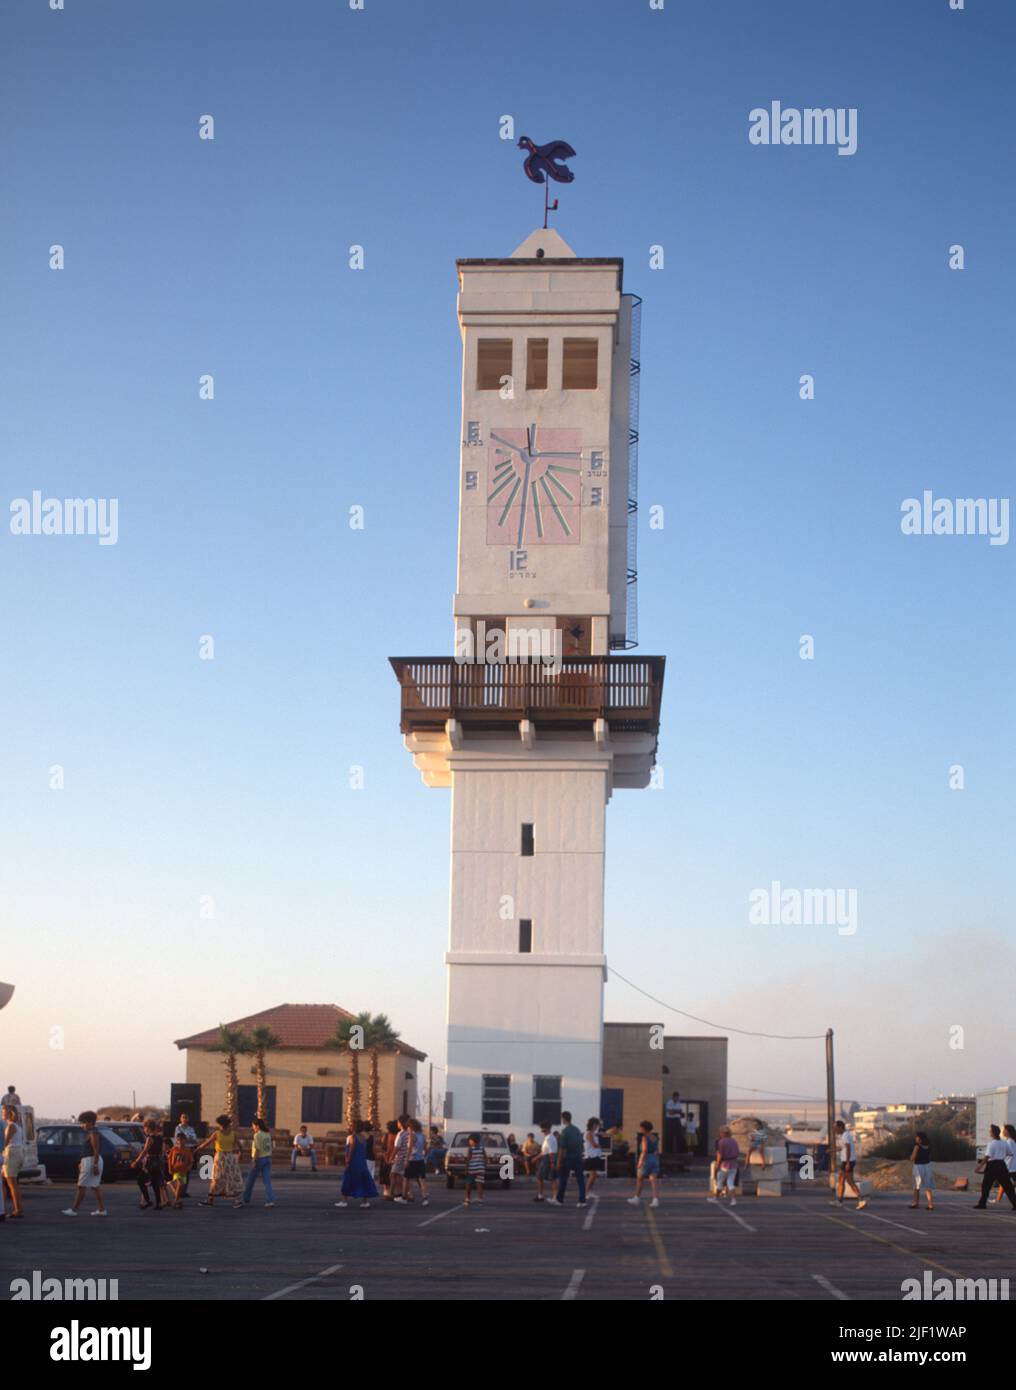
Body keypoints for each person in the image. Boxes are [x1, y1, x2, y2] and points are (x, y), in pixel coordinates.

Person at [62, 1111, 107, 1216]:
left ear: (90, 1122)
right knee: (95, 1186)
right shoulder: (91, 1132)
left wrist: (95, 1165)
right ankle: (101, 1210)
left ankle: (73, 1210)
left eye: (83, 1123)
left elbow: (96, 1150)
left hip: (91, 1160)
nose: (81, 1125)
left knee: (81, 1186)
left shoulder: (93, 1133)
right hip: (88, 1160)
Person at [195, 1113, 242, 1206]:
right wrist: (240, 1155)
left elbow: (206, 1144)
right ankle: (236, 1200)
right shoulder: (233, 1134)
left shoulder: (217, 1134)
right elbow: (240, 1146)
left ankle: (210, 1199)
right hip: (230, 1158)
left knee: (216, 1178)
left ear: (220, 1124)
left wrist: (196, 1150)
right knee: (231, 1178)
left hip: (220, 1157)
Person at [335, 1120, 378, 1210]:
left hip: (354, 1162)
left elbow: (351, 1150)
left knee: (347, 1180)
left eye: (351, 1126)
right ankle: (365, 1202)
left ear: (354, 1127)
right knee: (363, 1180)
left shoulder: (353, 1137)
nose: (350, 1127)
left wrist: (348, 1161)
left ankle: (344, 1201)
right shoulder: (364, 1137)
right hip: (362, 1161)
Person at [973, 1124, 1016, 1211]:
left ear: (993, 1133)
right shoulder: (1004, 1142)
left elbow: (987, 1156)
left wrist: (980, 1166)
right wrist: (1001, 1154)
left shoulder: (991, 1143)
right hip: (1002, 1165)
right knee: (1008, 1186)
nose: (989, 1132)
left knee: (986, 1186)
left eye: (990, 1131)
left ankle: (982, 1203)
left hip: (992, 1165)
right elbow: (1010, 1153)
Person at [239, 1116, 276, 1208]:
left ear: (257, 1126)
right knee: (267, 1181)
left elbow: (257, 1149)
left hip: (259, 1159)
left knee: (250, 1180)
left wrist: (254, 1161)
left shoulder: (257, 1135)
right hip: (268, 1158)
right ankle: (270, 1200)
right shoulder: (267, 1134)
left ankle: (246, 1199)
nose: (253, 1128)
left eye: (253, 1126)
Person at [132, 1118, 168, 1210]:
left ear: (148, 1128)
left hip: (151, 1162)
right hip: (159, 1162)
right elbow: (163, 1150)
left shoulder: (150, 1138)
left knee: (140, 1180)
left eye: (144, 1128)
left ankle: (148, 1201)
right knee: (155, 1183)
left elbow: (145, 1151)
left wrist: (136, 1161)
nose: (144, 1130)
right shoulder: (160, 1138)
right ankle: (159, 1203)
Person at [832, 1119, 868, 1210]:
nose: (835, 1130)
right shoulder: (844, 1135)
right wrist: (832, 1150)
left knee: (849, 1181)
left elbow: (848, 1148)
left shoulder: (845, 1135)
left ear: (840, 1127)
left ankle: (861, 1199)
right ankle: (840, 1201)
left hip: (848, 1161)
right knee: (842, 1180)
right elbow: (842, 1148)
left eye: (835, 1128)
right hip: (846, 1161)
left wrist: (847, 1162)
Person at [554, 1110, 587, 1207]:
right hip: (578, 1157)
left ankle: (559, 1200)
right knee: (580, 1179)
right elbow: (582, 1145)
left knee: (563, 1179)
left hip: (568, 1157)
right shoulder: (577, 1130)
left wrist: (559, 1162)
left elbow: (562, 1148)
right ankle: (582, 1200)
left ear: (563, 1119)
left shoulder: (565, 1131)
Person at [627, 1120, 661, 1207]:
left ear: (644, 1129)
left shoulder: (644, 1138)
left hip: (646, 1159)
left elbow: (644, 1151)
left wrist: (640, 1162)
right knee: (653, 1180)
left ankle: (636, 1198)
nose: (640, 1130)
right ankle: (655, 1199)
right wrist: (656, 1160)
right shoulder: (655, 1137)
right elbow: (657, 1150)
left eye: (641, 1128)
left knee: (640, 1179)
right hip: (654, 1159)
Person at [2, 1103, 25, 1218]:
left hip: (11, 1153)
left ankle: (18, 1210)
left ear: (8, 1113)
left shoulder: (11, 1126)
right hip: (17, 1153)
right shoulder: (17, 1126)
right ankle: (4, 1208)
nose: (2, 1113)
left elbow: (5, 1142)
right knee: (6, 1184)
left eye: (3, 1111)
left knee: (12, 1184)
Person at [710, 1126, 739, 1204]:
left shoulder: (721, 1142)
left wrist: (717, 1164)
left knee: (719, 1182)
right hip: (733, 1164)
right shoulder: (734, 1141)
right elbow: (737, 1152)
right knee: (730, 1183)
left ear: (722, 1133)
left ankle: (715, 1198)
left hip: (724, 1165)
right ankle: (733, 1200)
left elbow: (720, 1154)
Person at [404, 1118, 430, 1205]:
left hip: (412, 1159)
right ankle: (425, 1198)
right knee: (422, 1179)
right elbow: (426, 1149)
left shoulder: (412, 1135)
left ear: (411, 1127)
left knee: (407, 1178)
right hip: (420, 1160)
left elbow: (409, 1148)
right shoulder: (422, 1135)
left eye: (408, 1127)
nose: (407, 1129)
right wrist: (423, 1155)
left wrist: (406, 1159)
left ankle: (407, 1195)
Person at [166, 1133, 194, 1208]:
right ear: (176, 1141)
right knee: (180, 1183)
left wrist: (189, 1167)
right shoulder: (174, 1149)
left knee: (180, 1189)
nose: (180, 1142)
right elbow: (169, 1160)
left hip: (184, 1171)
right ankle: (176, 1201)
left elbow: (191, 1161)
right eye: (178, 1140)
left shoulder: (188, 1150)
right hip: (176, 1170)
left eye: (182, 1140)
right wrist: (170, 1168)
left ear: (185, 1140)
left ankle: (177, 1199)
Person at [990, 1123, 1016, 1203]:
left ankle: (998, 1200)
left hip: (1009, 1166)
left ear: (1008, 1131)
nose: (1003, 1132)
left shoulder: (1009, 1142)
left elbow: (1008, 1153)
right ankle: (997, 1200)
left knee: (1005, 1184)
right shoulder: (1012, 1141)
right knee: (1004, 1184)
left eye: (1004, 1130)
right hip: (1011, 1166)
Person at [173, 1112, 198, 1197]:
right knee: (179, 1170)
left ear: (188, 1119)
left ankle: (184, 1191)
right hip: (180, 1151)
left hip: (189, 1150)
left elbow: (195, 1141)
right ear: (180, 1119)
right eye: (183, 1117)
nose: (184, 1119)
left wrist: (186, 1139)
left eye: (186, 1117)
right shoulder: (178, 1128)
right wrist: (187, 1139)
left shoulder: (191, 1129)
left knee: (187, 1171)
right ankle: (178, 1190)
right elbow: (178, 1139)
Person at [909, 1131, 934, 1211]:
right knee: (927, 1186)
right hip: (927, 1166)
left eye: (917, 1137)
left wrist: (911, 1157)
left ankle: (915, 1203)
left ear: (920, 1139)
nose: (916, 1138)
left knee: (916, 1186)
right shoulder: (928, 1146)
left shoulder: (917, 1146)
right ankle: (930, 1204)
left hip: (918, 1166)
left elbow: (912, 1158)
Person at [391, 1115, 411, 1203]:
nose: (397, 1124)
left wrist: (391, 1157)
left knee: (393, 1175)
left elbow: (396, 1147)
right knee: (402, 1177)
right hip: (407, 1158)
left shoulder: (401, 1134)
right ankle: (403, 1194)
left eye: (398, 1122)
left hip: (399, 1158)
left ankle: (394, 1193)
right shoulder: (410, 1133)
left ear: (401, 1123)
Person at [534, 1122, 557, 1202]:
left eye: (542, 1129)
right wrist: (536, 1158)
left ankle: (552, 1197)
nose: (541, 1131)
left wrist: (552, 1162)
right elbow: (544, 1151)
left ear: (546, 1129)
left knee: (550, 1178)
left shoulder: (549, 1138)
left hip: (548, 1159)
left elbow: (551, 1152)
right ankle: (542, 1196)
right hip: (546, 1158)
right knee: (543, 1177)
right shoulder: (548, 1137)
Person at [583, 1117, 605, 1194]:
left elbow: (598, 1133)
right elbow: (593, 1144)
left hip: (595, 1156)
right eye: (596, 1125)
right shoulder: (589, 1133)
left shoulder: (593, 1133)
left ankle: (589, 1191)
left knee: (594, 1175)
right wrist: (599, 1146)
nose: (597, 1127)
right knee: (592, 1175)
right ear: (592, 1125)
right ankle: (586, 1192)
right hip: (591, 1157)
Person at [463, 1133, 485, 1206]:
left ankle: (467, 1199)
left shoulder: (470, 1149)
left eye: (470, 1140)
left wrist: (466, 1169)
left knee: (468, 1184)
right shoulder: (482, 1148)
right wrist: (484, 1165)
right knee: (479, 1185)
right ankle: (480, 1200)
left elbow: (468, 1160)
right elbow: (485, 1157)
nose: (469, 1142)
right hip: (480, 1170)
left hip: (472, 1170)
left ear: (473, 1141)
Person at [380, 1119, 398, 1199]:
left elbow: (383, 1148)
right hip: (395, 1158)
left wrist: (386, 1157)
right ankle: (392, 1191)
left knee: (385, 1175)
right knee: (394, 1176)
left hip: (386, 1157)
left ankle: (386, 1192)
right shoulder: (398, 1135)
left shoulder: (386, 1135)